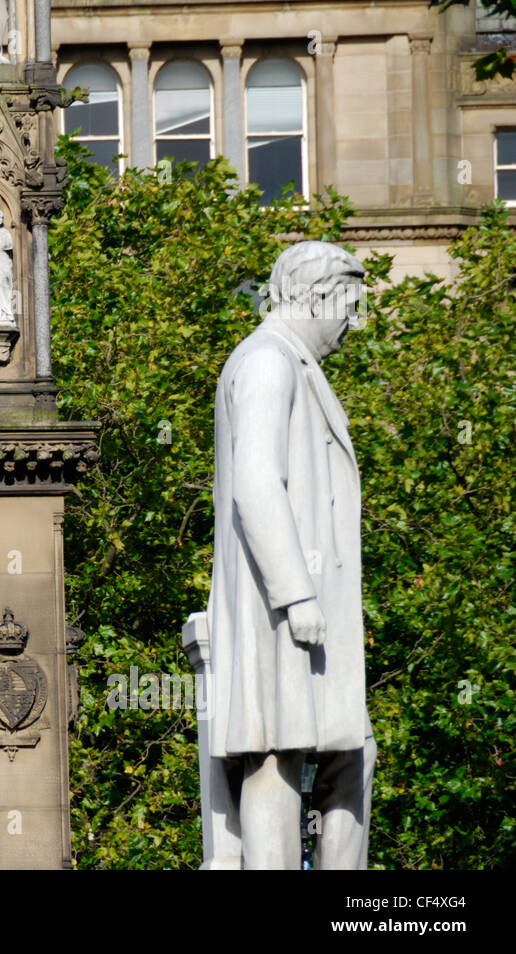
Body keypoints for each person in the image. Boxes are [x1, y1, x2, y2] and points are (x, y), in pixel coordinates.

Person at [207, 241, 376, 869]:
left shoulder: (289, 362)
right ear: (318, 295)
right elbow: (256, 480)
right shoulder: (267, 362)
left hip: (301, 607)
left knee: (348, 749)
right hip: (279, 607)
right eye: (350, 307)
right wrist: (297, 592)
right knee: (276, 752)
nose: (353, 324)